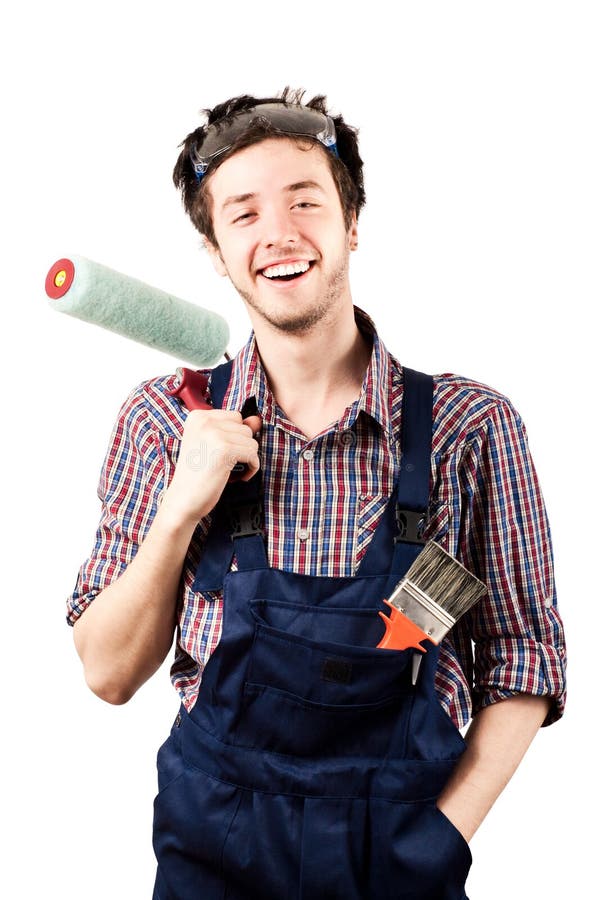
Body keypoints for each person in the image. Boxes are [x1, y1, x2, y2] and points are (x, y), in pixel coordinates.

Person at [67, 88, 567, 899]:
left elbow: (522, 656)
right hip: (211, 852)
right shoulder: (164, 423)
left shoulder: (469, 430)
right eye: (243, 214)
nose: (279, 234)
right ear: (214, 247)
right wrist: (180, 509)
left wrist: (440, 840)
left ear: (351, 222)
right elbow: (109, 673)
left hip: (395, 854)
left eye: (306, 201)